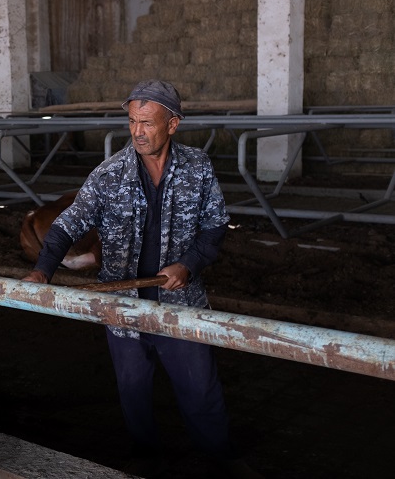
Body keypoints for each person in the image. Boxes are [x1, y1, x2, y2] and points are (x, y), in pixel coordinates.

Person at [22, 80, 262, 478]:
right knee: (133, 390)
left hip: (181, 306)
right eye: (132, 121)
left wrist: (188, 264)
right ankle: (147, 457)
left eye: (147, 123)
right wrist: (42, 270)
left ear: (173, 124)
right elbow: (67, 225)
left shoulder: (198, 168)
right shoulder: (110, 173)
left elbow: (215, 227)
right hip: (123, 307)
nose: (137, 131)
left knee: (200, 389)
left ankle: (221, 458)